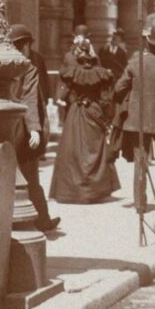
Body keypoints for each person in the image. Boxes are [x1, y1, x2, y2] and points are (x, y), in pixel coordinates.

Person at [49, 36, 119, 204]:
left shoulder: (72, 72)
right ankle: (95, 190)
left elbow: (65, 91)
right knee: (94, 148)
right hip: (94, 111)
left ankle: (72, 190)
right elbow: (106, 97)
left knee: (73, 149)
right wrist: (105, 114)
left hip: (77, 112)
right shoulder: (101, 73)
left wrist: (67, 98)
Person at [115, 25, 155, 211]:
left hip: (137, 120)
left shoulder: (136, 62)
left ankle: (140, 204)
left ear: (148, 43)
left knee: (140, 162)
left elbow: (119, 87)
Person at [9, 24, 60, 232]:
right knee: (30, 176)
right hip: (21, 130)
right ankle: (41, 220)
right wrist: (34, 129)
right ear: (25, 45)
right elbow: (29, 99)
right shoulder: (27, 65)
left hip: (4, 128)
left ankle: (39, 218)